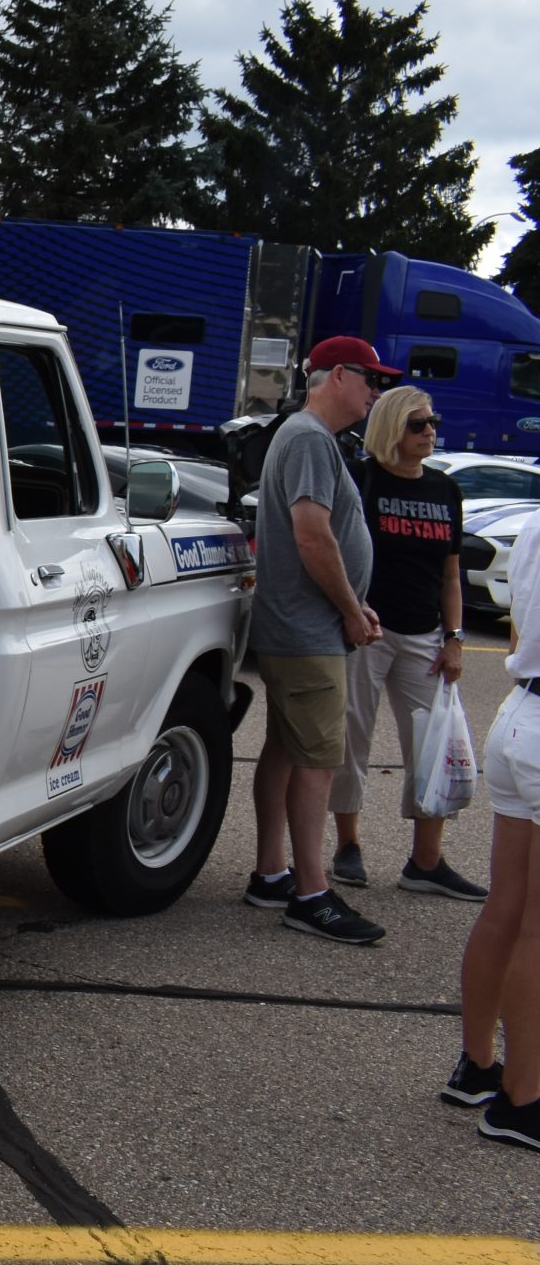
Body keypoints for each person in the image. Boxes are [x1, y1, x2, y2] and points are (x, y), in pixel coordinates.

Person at [247, 335, 399, 944]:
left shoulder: (310, 438)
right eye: (370, 379)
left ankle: (270, 873)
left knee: (285, 751)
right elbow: (312, 535)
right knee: (317, 763)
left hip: (303, 627)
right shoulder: (310, 438)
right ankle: (311, 893)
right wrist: (350, 611)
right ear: (338, 375)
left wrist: (353, 602)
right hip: (308, 632)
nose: (376, 391)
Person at [328, 385, 485, 899]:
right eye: (418, 423)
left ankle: (425, 861)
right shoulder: (363, 479)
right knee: (352, 740)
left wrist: (455, 638)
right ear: (393, 426)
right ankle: (348, 846)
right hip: (367, 630)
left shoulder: (445, 490)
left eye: (433, 421)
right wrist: (351, 612)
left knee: (432, 747)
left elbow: (451, 576)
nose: (430, 431)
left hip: (425, 635)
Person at [453, 523, 540, 1151]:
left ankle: (479, 1065)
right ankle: (522, 1101)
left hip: (519, 715)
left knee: (505, 907)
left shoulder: (534, 523)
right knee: (535, 925)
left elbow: (517, 623)